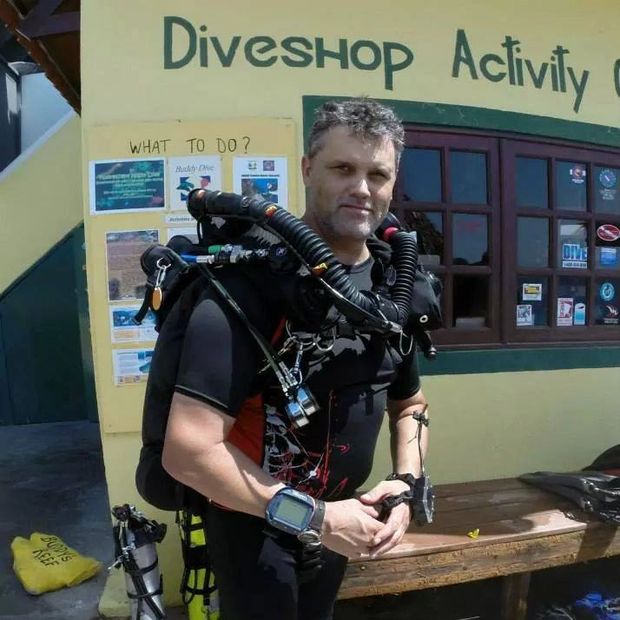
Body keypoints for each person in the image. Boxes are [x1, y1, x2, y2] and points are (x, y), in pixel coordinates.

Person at [151, 98, 430, 620]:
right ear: (307, 168)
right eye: (342, 168)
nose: (362, 189)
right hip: (255, 523)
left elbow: (411, 404)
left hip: (347, 519)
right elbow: (187, 451)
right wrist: (320, 518)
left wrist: (406, 483)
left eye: (378, 173)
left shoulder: (397, 289)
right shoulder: (248, 284)